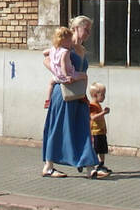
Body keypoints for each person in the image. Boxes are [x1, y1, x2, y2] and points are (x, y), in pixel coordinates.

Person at [40, 15, 106, 178]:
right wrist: (59, 75)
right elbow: (46, 59)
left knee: (83, 128)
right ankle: (48, 166)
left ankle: (90, 167)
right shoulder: (65, 46)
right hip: (63, 93)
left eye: (90, 30)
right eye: (86, 29)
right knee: (58, 127)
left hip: (79, 95)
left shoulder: (81, 49)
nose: (88, 33)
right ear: (76, 28)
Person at [43, 26, 74, 108]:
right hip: (64, 74)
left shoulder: (54, 49)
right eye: (69, 40)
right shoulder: (65, 51)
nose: (71, 42)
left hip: (56, 74)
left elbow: (44, 52)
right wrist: (66, 75)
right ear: (63, 40)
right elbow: (63, 64)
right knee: (83, 76)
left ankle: (48, 100)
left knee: (51, 83)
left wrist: (47, 54)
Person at [87, 83, 112, 177]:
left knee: (102, 149)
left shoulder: (98, 104)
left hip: (101, 131)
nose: (104, 97)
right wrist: (103, 113)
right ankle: (95, 165)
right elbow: (93, 117)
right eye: (102, 95)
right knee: (96, 149)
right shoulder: (92, 105)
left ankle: (101, 164)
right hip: (95, 132)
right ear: (95, 95)